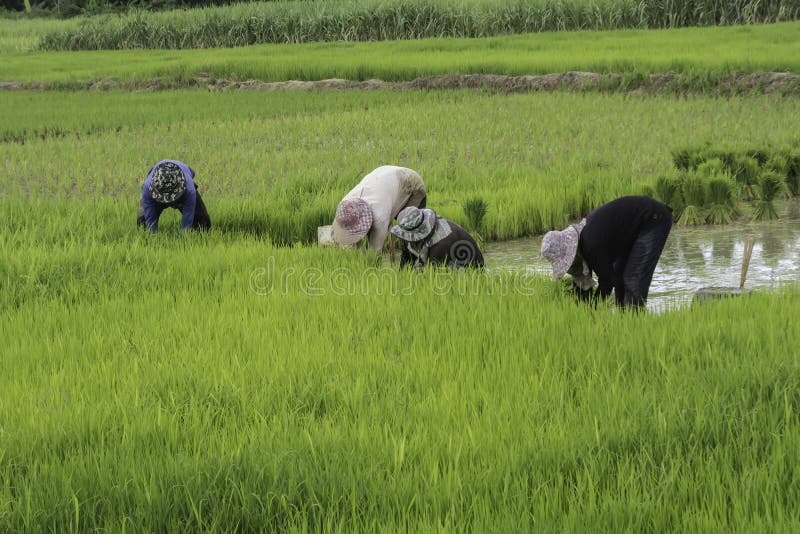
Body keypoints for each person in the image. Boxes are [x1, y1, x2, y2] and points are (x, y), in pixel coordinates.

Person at [540, 195, 672, 310]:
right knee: (620, 275)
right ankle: (625, 323)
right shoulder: (585, 239)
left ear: (572, 252)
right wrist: (581, 309)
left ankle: (635, 325)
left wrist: (593, 309)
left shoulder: (591, 243)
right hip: (634, 229)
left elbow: (607, 282)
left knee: (633, 280)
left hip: (653, 220)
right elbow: (596, 278)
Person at [331, 165, 426, 251]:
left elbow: (375, 251)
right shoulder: (345, 205)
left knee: (408, 227)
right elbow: (351, 235)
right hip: (382, 176)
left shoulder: (379, 216)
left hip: (409, 181)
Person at [391, 207, 484, 270]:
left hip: (467, 265)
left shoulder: (441, 241)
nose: (406, 238)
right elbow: (406, 262)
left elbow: (435, 276)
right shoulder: (407, 232)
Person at [137, 159, 211, 233]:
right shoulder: (147, 189)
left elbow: (188, 216)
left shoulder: (189, 189)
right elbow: (150, 216)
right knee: (143, 224)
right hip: (155, 193)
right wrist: (152, 236)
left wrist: (184, 239)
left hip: (183, 192)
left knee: (202, 223)